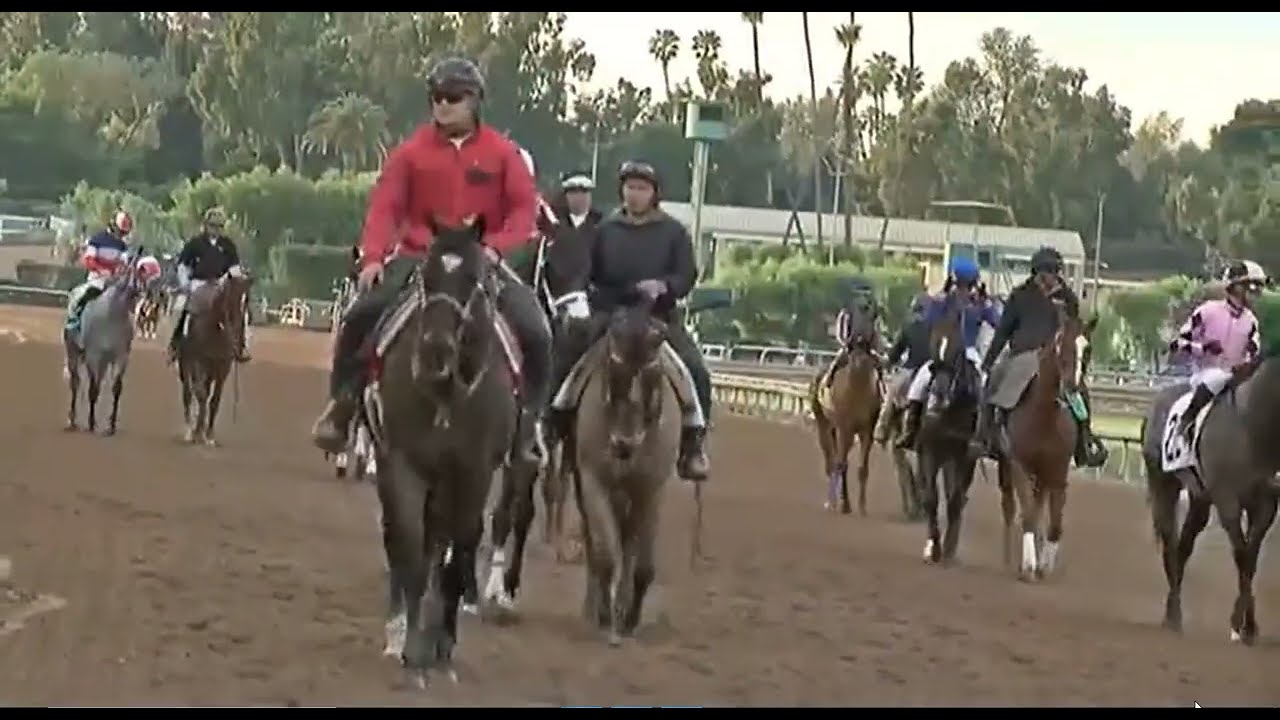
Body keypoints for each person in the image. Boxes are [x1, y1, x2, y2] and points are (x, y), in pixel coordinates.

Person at [309, 57, 553, 468]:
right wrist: (372, 259)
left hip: (482, 259)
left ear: (475, 100)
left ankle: (529, 426)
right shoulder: (409, 154)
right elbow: (385, 209)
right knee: (359, 317)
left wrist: (495, 247)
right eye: (436, 97)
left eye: (453, 97)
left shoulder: (503, 153)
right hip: (419, 256)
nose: (443, 105)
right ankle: (343, 408)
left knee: (537, 331)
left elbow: (523, 210)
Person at [550, 160, 711, 481]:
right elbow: (587, 273)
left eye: (642, 188)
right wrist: (587, 297)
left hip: (658, 318)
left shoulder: (674, 232)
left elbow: (686, 275)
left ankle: (692, 446)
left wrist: (665, 286)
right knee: (567, 357)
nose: (635, 195)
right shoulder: (604, 231)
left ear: (654, 194)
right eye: (630, 188)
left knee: (695, 369)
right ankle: (552, 428)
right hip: (612, 314)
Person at [971, 246, 1107, 467]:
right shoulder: (1019, 296)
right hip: (1021, 354)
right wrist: (988, 361)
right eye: (1046, 272)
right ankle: (984, 436)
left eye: (1054, 272)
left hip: (1054, 357)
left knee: (1080, 390)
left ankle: (1084, 442)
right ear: (1036, 273)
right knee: (994, 379)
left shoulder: (1067, 298)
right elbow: (1004, 330)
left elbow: (1073, 330)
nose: (1050, 278)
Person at [897, 256, 999, 449]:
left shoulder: (980, 304)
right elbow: (929, 320)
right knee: (919, 383)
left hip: (969, 351)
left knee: (984, 386)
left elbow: (997, 323)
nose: (963, 288)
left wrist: (988, 306)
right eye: (961, 283)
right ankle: (910, 431)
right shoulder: (943, 301)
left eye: (966, 284)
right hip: (945, 351)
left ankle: (982, 436)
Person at [1168, 259, 1267, 444]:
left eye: (1258, 288)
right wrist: (1203, 348)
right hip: (1206, 373)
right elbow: (1176, 343)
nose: (1256, 293)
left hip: (1236, 376)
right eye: (1252, 286)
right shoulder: (1207, 311)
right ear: (1236, 287)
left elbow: (1254, 351)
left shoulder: (1251, 321)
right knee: (1216, 378)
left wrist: (1248, 363)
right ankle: (1185, 423)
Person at [168, 206, 251, 364]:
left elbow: (234, 268)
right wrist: (184, 283)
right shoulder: (195, 243)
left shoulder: (228, 245)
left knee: (239, 311)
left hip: (221, 283)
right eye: (213, 225)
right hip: (197, 283)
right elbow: (183, 266)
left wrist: (240, 279)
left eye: (220, 226)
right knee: (180, 307)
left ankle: (240, 346)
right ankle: (175, 343)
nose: (216, 229)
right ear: (206, 225)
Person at [873, 294, 933, 445]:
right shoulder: (936, 325)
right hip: (934, 369)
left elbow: (896, 351)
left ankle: (882, 428)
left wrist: (888, 362)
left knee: (892, 393)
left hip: (913, 368)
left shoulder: (909, 326)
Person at [67, 210, 134, 327]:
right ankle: (76, 322)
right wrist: (101, 270)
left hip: (114, 281)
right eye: (120, 232)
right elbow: (88, 260)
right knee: (87, 295)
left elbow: (123, 263)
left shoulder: (122, 246)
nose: (122, 235)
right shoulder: (97, 240)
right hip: (97, 278)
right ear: (113, 227)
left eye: (124, 233)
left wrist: (122, 270)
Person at [826, 278, 881, 386]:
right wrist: (845, 344)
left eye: (866, 295)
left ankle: (882, 389)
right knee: (837, 361)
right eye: (861, 295)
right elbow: (840, 332)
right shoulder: (846, 312)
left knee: (879, 366)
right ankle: (828, 380)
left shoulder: (872, 313)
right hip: (850, 347)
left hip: (866, 349)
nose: (864, 298)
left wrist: (875, 346)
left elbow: (876, 332)